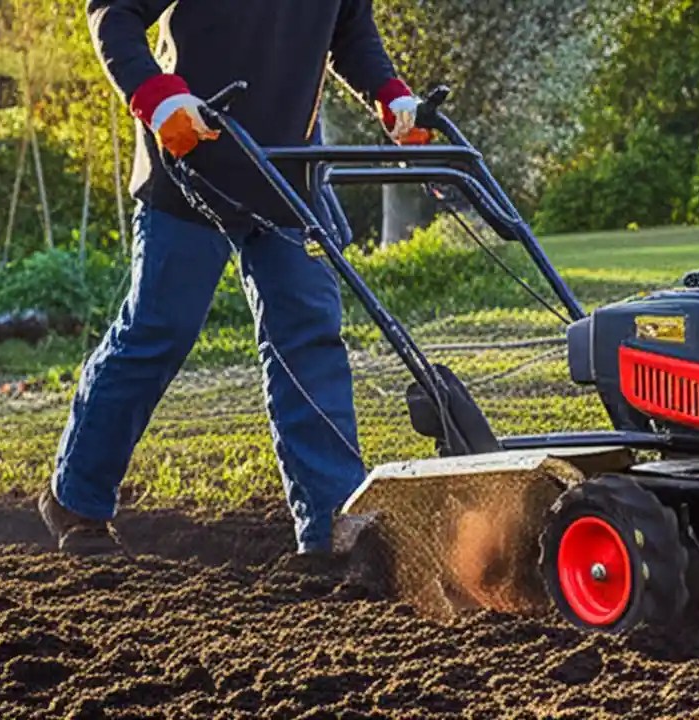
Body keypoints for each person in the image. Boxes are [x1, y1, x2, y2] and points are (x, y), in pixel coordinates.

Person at [38, 0, 425, 557]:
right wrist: (155, 95)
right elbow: (115, 13)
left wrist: (391, 95)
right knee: (159, 329)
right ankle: (76, 496)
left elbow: (350, 30)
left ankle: (332, 525)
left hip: (287, 169)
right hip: (191, 161)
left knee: (309, 337)